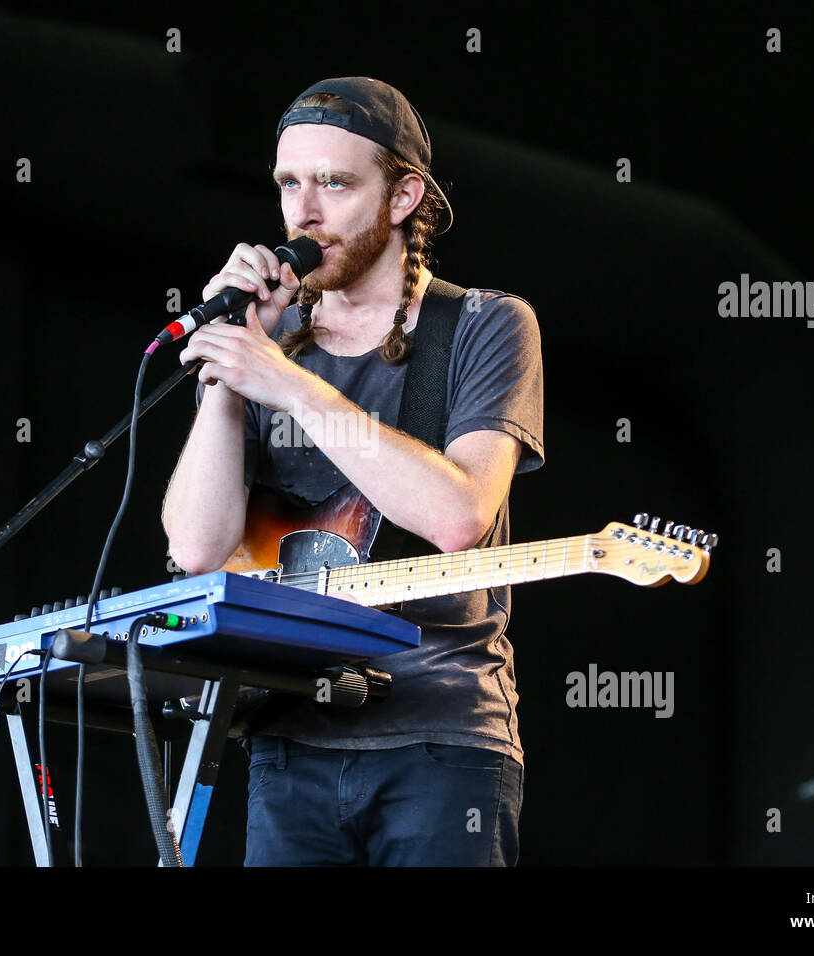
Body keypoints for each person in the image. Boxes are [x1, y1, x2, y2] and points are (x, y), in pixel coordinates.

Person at [162, 77, 543, 866]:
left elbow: (458, 517)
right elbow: (196, 549)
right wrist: (230, 369)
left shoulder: (485, 324)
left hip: (442, 737)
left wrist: (289, 384)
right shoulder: (270, 344)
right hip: (290, 737)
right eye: (289, 184)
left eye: (334, 183)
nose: (304, 212)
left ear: (403, 196)